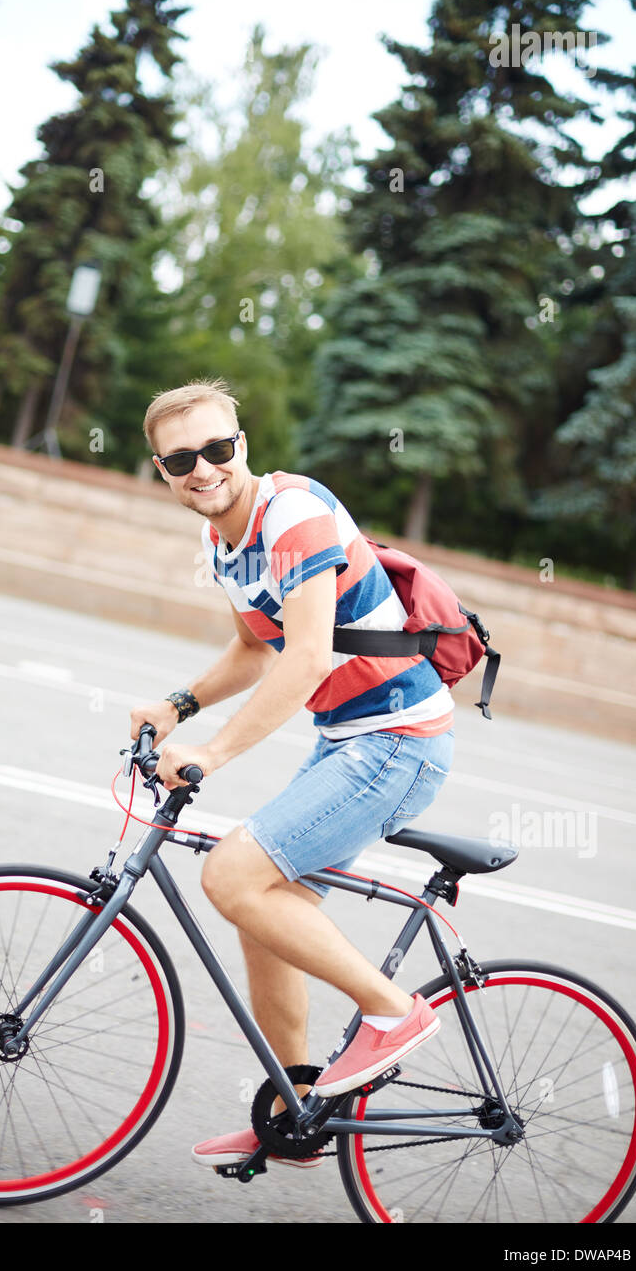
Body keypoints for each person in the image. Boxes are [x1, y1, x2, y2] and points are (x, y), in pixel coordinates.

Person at [128, 378, 454, 1171]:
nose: (202, 469)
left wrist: (211, 754)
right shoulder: (221, 541)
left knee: (234, 878)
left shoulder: (293, 516)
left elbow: (306, 655)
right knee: (259, 907)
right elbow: (255, 646)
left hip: (398, 740)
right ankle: (299, 1107)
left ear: (243, 445)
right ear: (162, 471)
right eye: (180, 459)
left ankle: (392, 1013)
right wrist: (178, 707)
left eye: (216, 449)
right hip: (349, 740)